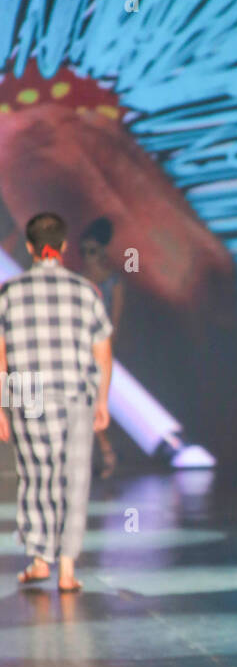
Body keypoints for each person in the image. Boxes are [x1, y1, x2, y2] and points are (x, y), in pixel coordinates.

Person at [0, 212, 112, 592]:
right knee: (74, 480)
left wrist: (1, 406)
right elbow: (103, 353)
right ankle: (66, 569)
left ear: (30, 247)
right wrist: (103, 402)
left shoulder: (9, 293)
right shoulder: (85, 291)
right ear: (64, 247)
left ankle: (39, 559)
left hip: (28, 389)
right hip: (75, 388)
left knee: (36, 477)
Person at [79, 217, 124, 477]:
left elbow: (115, 321)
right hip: (77, 351)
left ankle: (107, 453)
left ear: (103, 252)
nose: (87, 257)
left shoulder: (113, 282)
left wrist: (108, 354)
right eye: (83, 251)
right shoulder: (78, 281)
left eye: (92, 251)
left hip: (102, 352)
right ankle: (104, 454)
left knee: (98, 404)